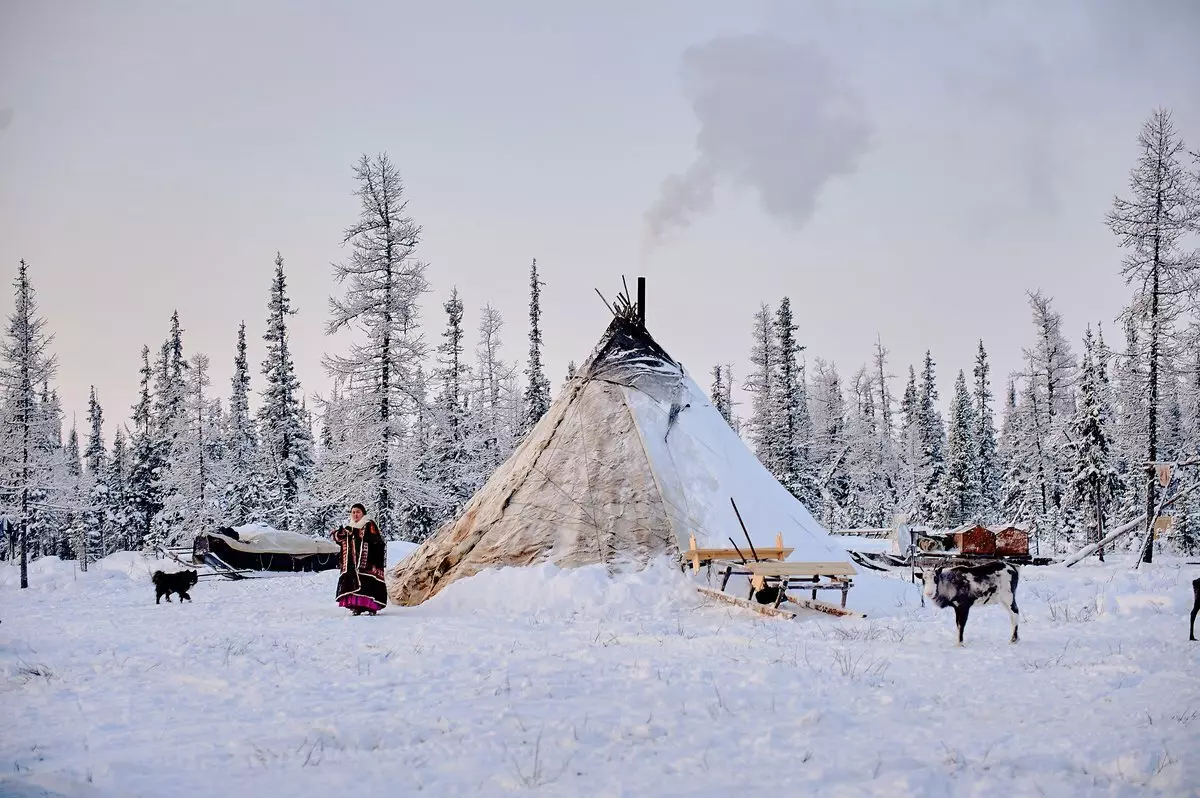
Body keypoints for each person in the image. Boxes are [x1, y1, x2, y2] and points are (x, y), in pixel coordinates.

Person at [332, 503, 388, 615]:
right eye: (353, 512)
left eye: (358, 512)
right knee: (354, 584)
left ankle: (372, 607)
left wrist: (362, 536)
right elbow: (339, 539)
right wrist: (340, 534)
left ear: (363, 513)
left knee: (368, 583)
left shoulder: (369, 524)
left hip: (367, 562)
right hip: (352, 563)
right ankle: (356, 607)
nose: (355, 514)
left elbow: (377, 540)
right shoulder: (349, 527)